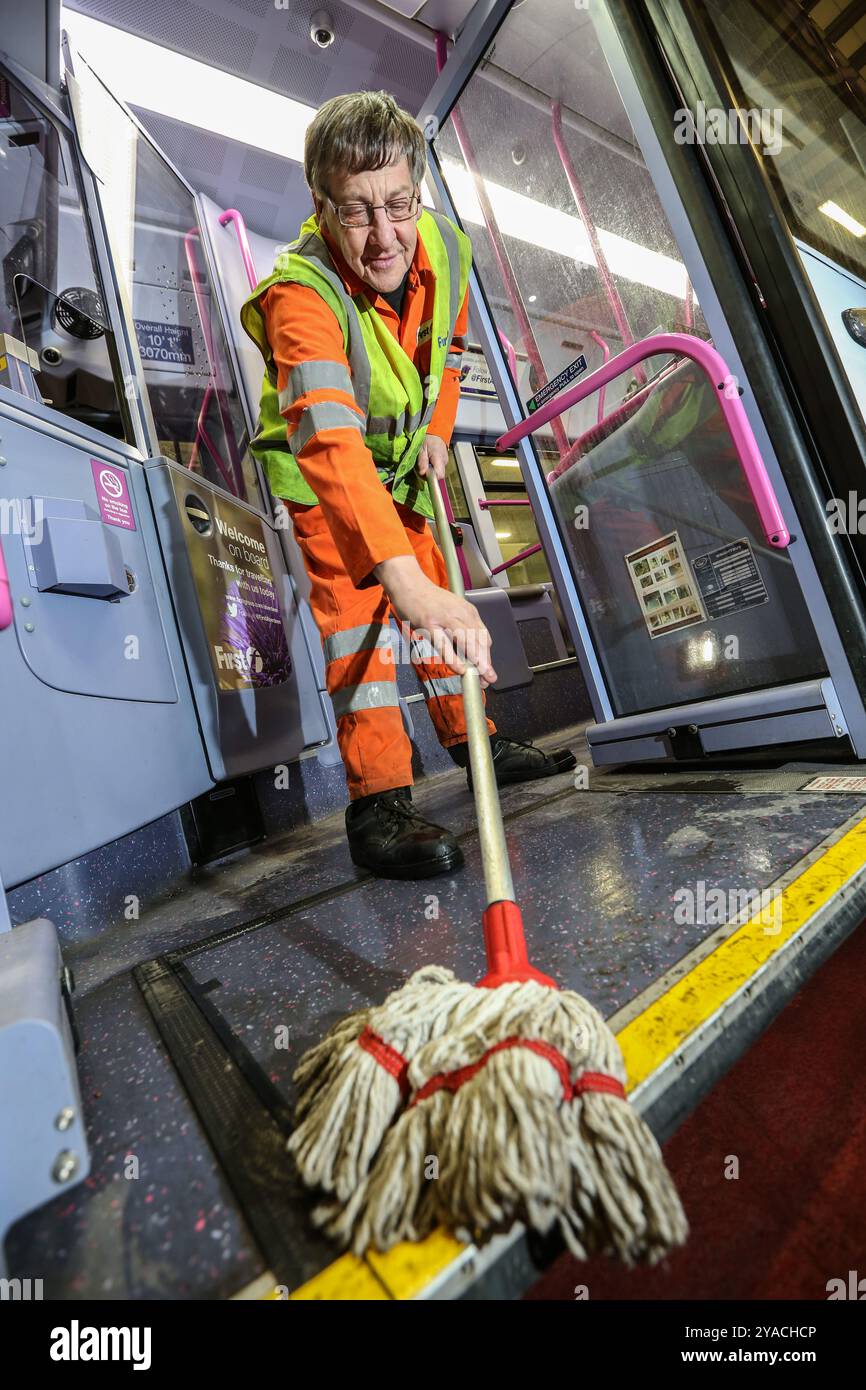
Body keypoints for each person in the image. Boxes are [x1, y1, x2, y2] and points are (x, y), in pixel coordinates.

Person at [241, 91, 575, 880]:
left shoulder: (446, 247)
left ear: (417, 192)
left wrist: (434, 432)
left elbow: (450, 350)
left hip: (402, 463)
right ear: (321, 206)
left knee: (433, 593)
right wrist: (396, 578)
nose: (386, 236)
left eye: (398, 204)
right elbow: (329, 440)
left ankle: (476, 746)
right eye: (357, 214)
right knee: (365, 616)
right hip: (324, 475)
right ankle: (379, 800)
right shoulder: (299, 297)